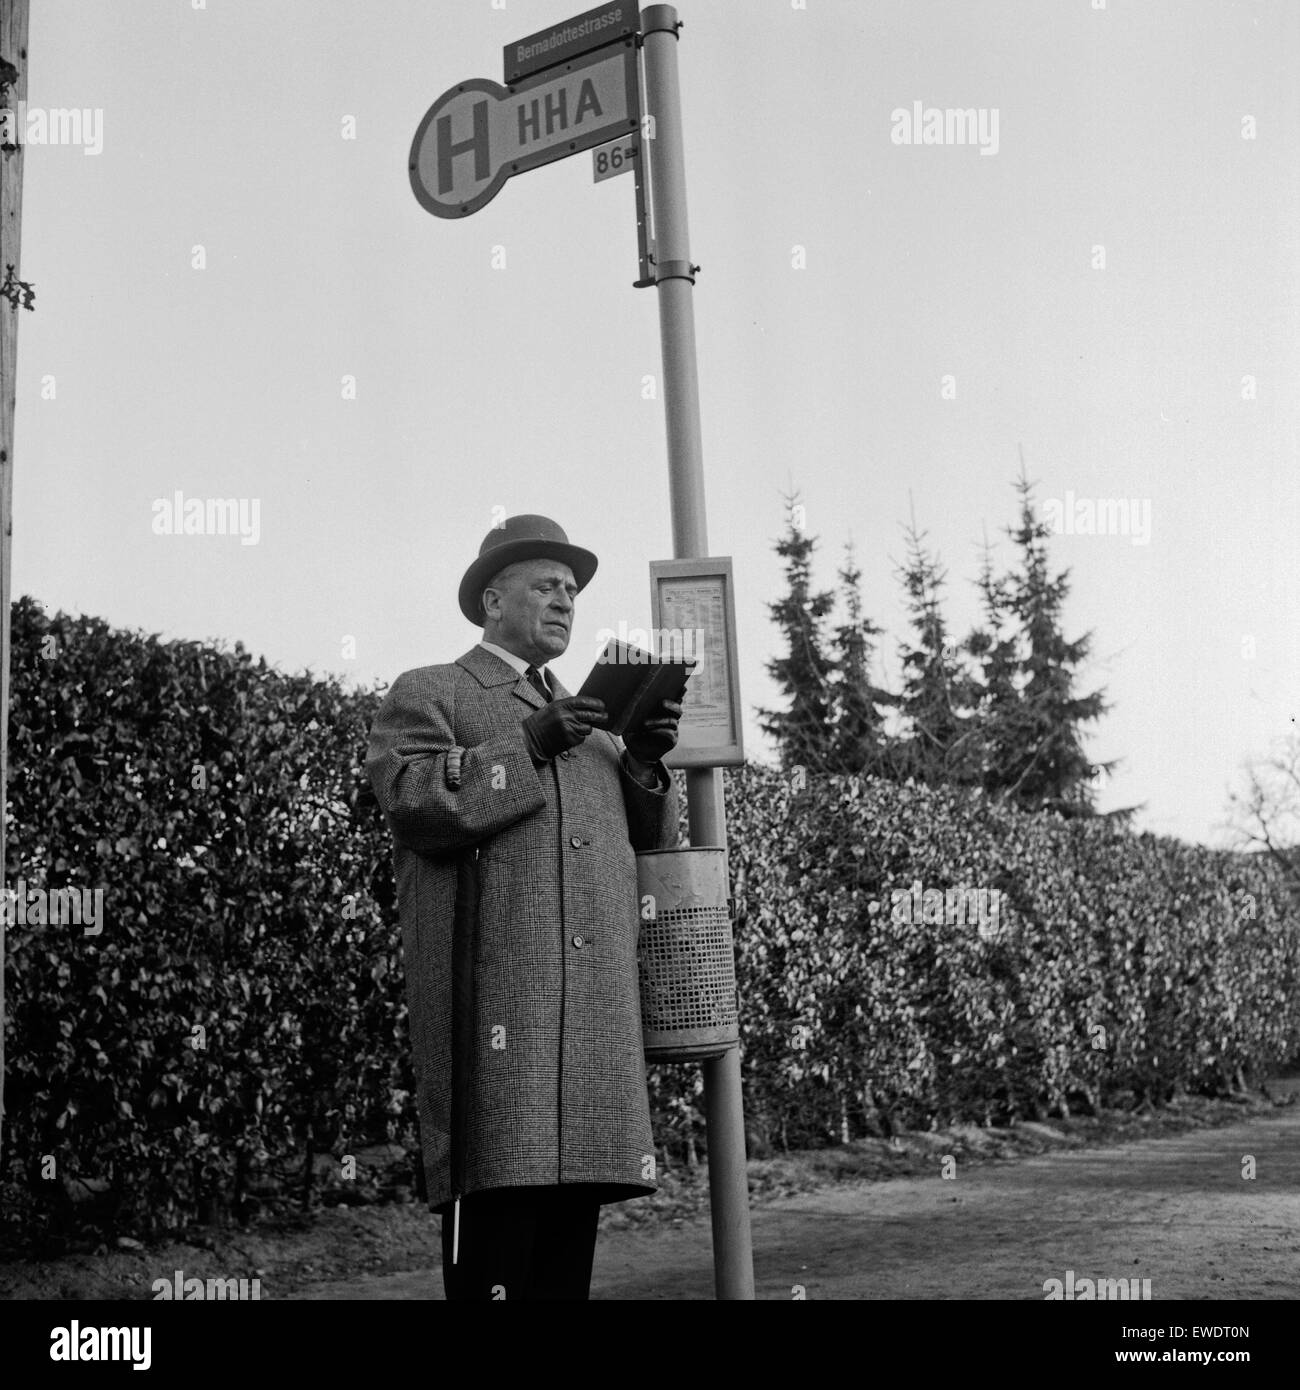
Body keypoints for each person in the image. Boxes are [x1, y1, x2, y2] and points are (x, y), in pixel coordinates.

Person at [365, 514, 682, 1300]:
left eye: (571, 591)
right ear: (490, 601)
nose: (565, 601)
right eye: (545, 585)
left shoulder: (593, 722)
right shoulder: (432, 691)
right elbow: (413, 803)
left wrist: (642, 762)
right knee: (495, 1265)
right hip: (499, 1042)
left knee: (562, 1275)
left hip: (589, 1044)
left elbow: (647, 846)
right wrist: (529, 742)